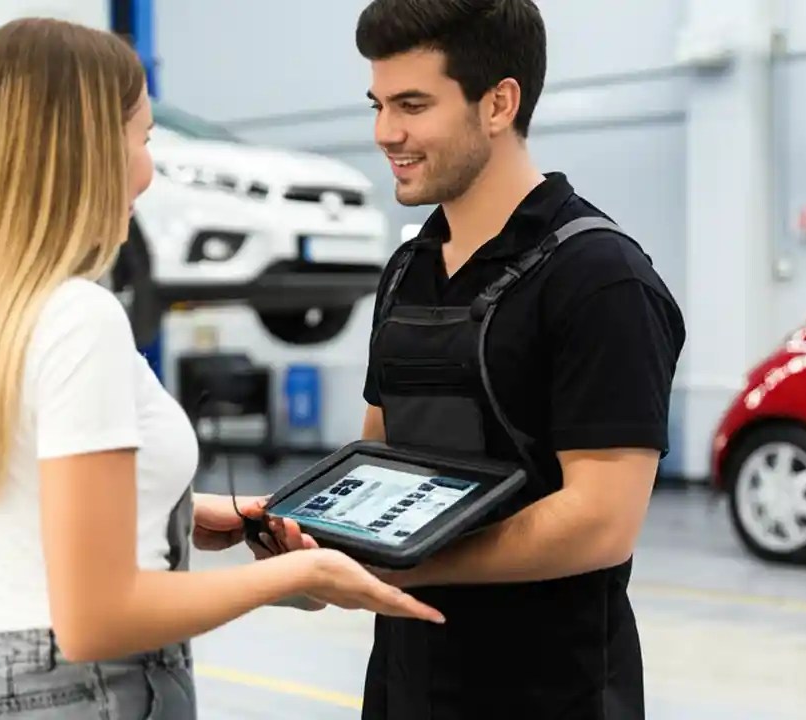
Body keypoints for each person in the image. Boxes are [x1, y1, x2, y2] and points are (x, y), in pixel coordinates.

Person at [0, 18, 443, 720]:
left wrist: (170, 508)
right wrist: (299, 573)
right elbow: (96, 618)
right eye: (143, 140)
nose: (147, 170)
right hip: (94, 694)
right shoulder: (79, 319)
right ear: (85, 151)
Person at [268, 1, 687, 718]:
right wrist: (313, 548)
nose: (384, 133)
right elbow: (379, 455)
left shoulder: (599, 278)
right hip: (407, 686)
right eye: (378, 104)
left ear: (498, 103)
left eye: (412, 104)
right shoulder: (407, 270)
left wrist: (411, 562)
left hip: (552, 692)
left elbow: (600, 522)